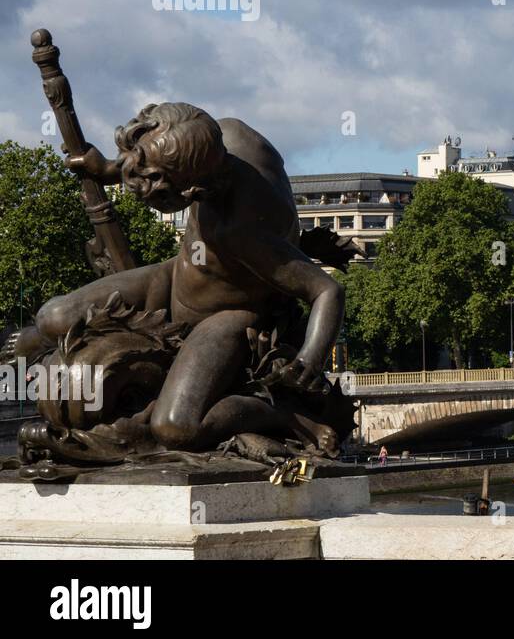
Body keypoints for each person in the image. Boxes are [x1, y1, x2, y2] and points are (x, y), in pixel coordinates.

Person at [11, 102, 343, 452]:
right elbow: (163, 147)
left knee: (175, 428)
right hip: (173, 276)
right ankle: (41, 336)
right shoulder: (226, 135)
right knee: (54, 316)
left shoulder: (240, 231)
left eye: (157, 192)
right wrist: (110, 168)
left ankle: (283, 416)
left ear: (192, 192)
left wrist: (309, 361)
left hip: (225, 317)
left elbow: (326, 290)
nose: (145, 196)